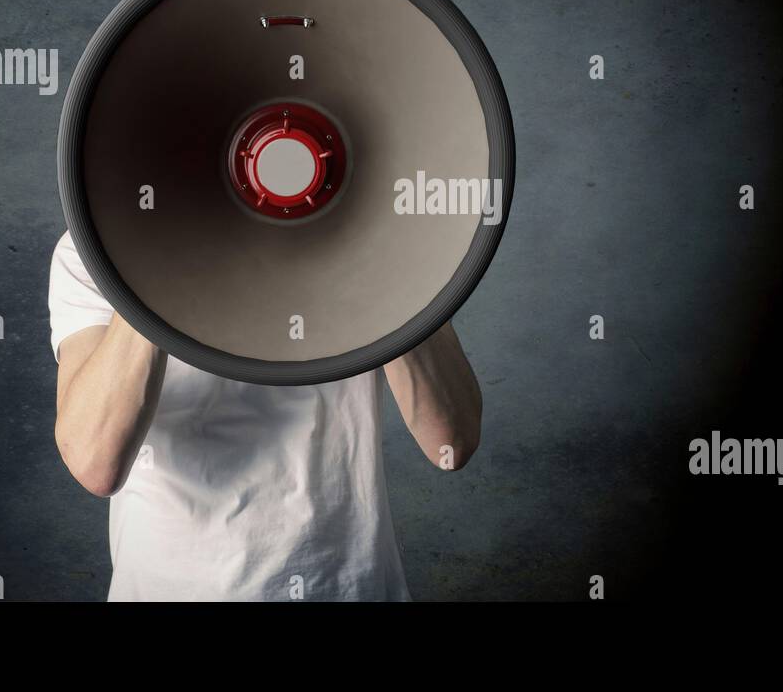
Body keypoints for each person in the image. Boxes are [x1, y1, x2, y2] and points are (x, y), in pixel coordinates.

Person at [47, 230, 482, 601]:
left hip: (349, 586)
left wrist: (376, 250)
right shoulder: (93, 245)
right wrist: (149, 258)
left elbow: (451, 442)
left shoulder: (370, 223)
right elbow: (95, 463)